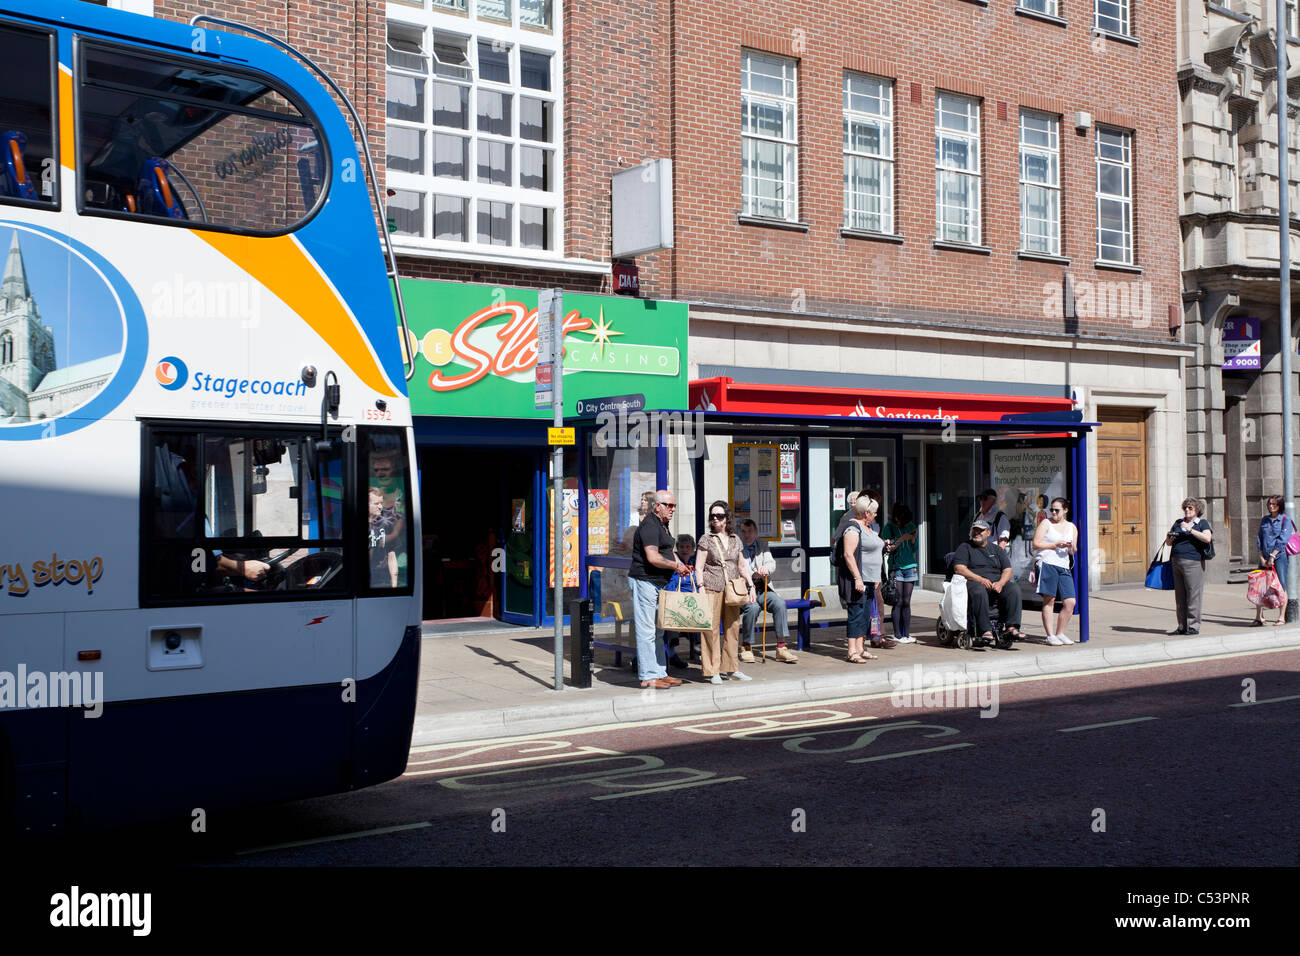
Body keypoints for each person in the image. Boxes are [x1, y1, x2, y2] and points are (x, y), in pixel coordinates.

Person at [628, 489, 690, 688]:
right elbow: (653, 557)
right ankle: (648, 676)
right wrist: (675, 566)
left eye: (674, 506)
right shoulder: (649, 526)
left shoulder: (663, 525)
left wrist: (680, 563)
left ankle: (660, 672)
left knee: (657, 632)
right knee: (646, 631)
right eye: (669, 505)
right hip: (645, 581)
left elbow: (667, 552)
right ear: (657, 506)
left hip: (656, 584)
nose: (673, 509)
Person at [695, 502, 752, 684]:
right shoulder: (707, 539)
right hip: (711, 586)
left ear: (727, 518)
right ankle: (713, 671)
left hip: (732, 588)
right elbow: (698, 566)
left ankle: (731, 668)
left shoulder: (736, 539)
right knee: (710, 630)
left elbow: (742, 565)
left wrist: (751, 585)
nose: (715, 519)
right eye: (712, 516)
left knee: (732, 628)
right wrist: (701, 587)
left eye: (719, 516)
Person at [952, 519, 1025, 644]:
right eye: (974, 530)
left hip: (996, 583)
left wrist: (1001, 583)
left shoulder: (997, 550)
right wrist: (980, 579)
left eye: (980, 530)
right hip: (973, 581)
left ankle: (1011, 628)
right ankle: (985, 630)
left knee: (1013, 589)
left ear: (988, 533)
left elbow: (1007, 570)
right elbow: (959, 568)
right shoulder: (965, 547)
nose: (977, 533)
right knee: (979, 591)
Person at [737, 518, 798, 663]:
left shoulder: (762, 545)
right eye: (743, 532)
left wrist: (765, 569)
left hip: (763, 588)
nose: (747, 535)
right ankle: (746, 647)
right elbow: (736, 569)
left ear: (756, 532)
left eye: (750, 531)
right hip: (744, 590)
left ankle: (781, 648)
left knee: (779, 603)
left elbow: (771, 563)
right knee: (752, 608)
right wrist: (751, 575)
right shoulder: (736, 547)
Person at [840, 495, 892, 661]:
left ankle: (861, 648)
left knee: (865, 615)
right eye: (874, 512)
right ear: (866, 513)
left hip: (871, 580)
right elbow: (848, 554)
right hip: (859, 580)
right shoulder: (853, 528)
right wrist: (857, 578)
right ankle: (851, 651)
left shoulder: (868, 528)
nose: (876, 515)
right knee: (856, 613)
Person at [1032, 496, 1078, 645]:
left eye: (1057, 510)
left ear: (1065, 510)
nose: (1053, 513)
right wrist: (1055, 544)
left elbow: (1073, 551)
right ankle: (1050, 635)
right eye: (1051, 509)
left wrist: (1070, 547)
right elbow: (1036, 544)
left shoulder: (1072, 527)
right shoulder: (1046, 523)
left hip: (1063, 565)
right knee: (1049, 599)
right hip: (1047, 563)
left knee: (1070, 602)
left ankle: (1060, 633)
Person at [1165, 497, 1213, 636]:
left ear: (1197, 510)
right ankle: (1181, 626)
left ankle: (1193, 626)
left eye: (1190, 508)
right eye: (1185, 507)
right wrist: (1170, 538)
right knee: (1180, 596)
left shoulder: (1202, 523)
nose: (1187, 510)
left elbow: (1207, 538)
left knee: (1193, 595)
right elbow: (1168, 543)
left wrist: (1190, 530)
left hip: (1193, 563)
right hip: (1176, 561)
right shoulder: (1178, 523)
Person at [1253, 494, 1294, 626]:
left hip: (1279, 556)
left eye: (1274, 504)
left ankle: (1281, 617)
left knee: (1281, 584)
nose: (1271, 506)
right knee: (1259, 586)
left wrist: (1272, 556)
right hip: (1264, 556)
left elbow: (1283, 539)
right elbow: (1259, 538)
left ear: (1280, 506)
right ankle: (1259, 617)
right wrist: (1261, 557)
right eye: (1269, 504)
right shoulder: (1265, 519)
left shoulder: (1285, 520)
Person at [882, 502, 918, 644]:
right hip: (896, 567)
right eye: (901, 520)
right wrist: (902, 539)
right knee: (897, 601)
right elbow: (887, 548)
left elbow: (914, 548)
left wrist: (913, 540)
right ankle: (897, 634)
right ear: (896, 517)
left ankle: (907, 634)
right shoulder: (889, 527)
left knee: (906, 601)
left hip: (910, 565)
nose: (903, 523)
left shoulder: (911, 526)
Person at [663, 533, 697, 668]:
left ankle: (698, 644)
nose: (685, 549)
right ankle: (671, 653)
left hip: (692, 600)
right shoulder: (674, 563)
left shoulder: (695, 563)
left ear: (693, 549)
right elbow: (671, 584)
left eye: (688, 547)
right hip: (676, 599)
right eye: (681, 547)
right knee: (671, 616)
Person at [368, 485, 400, 587]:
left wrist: (394, 584)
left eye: (381, 503)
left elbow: (391, 555)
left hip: (382, 580)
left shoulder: (385, 525)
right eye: (376, 503)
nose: (380, 507)